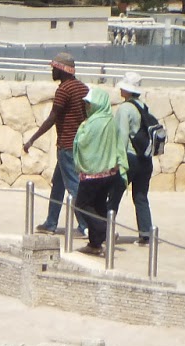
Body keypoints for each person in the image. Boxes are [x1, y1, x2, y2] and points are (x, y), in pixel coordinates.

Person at [24, 51, 90, 236]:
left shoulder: (64, 90)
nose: (52, 71)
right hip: (78, 144)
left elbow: (52, 118)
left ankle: (87, 225)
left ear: (61, 70)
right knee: (58, 184)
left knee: (74, 187)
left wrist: (32, 139)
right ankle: (51, 223)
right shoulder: (83, 88)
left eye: (54, 68)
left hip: (66, 146)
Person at [71, 89, 128, 256]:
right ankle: (94, 244)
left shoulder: (92, 123)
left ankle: (105, 232)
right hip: (109, 173)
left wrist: (81, 130)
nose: (87, 106)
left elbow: (82, 143)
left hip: (92, 174)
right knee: (99, 206)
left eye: (89, 103)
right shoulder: (111, 121)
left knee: (82, 205)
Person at [113, 73, 155, 244]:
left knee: (114, 194)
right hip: (146, 159)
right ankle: (146, 233)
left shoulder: (125, 109)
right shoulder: (143, 107)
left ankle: (104, 230)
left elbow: (122, 136)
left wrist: (117, 161)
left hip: (130, 158)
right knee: (141, 196)